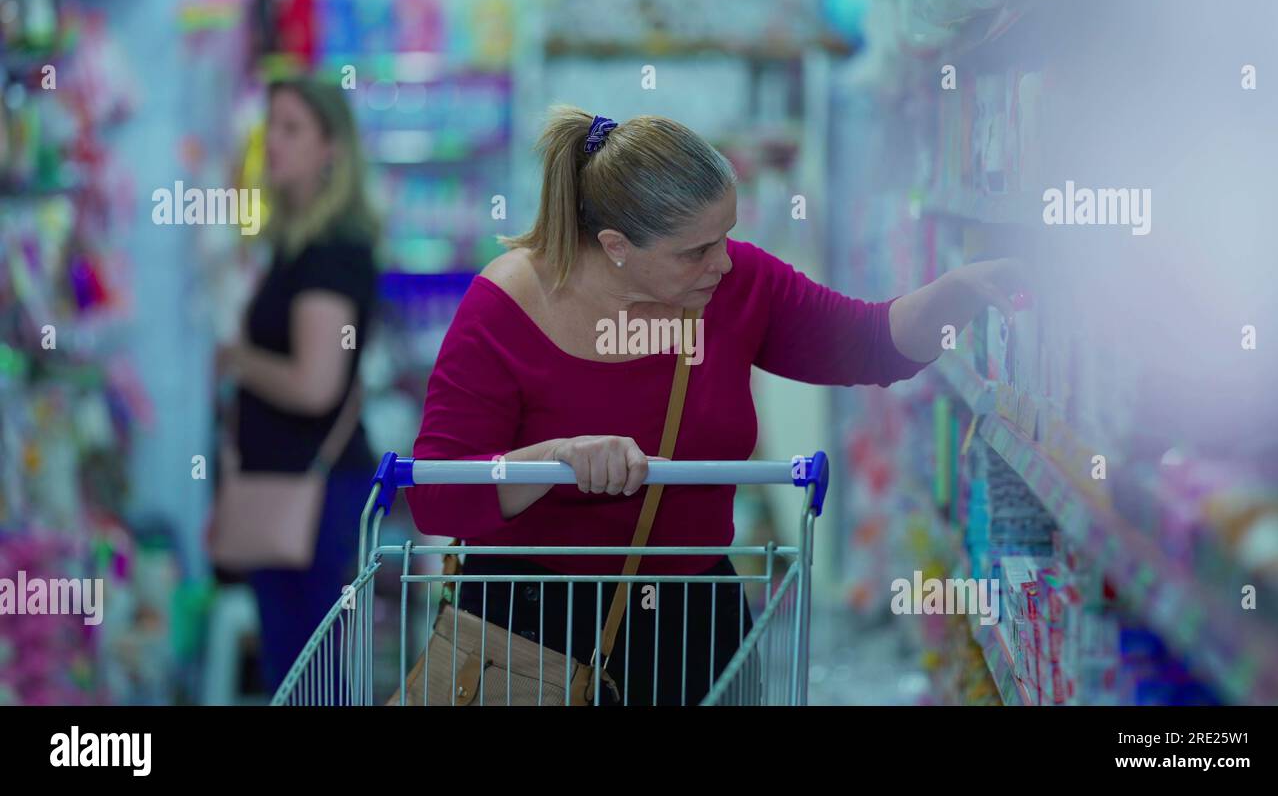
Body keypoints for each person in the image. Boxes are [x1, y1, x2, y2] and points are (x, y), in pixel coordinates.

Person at [407, 106, 1026, 705]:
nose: (722, 261)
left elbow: (870, 344)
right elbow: (439, 492)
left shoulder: (736, 287)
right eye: (695, 250)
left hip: (691, 629)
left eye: (726, 235)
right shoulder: (505, 306)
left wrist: (960, 289)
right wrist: (554, 459)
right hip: (525, 629)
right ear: (617, 244)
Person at [216, 78, 379, 693]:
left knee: (310, 675)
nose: (273, 144)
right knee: (298, 670)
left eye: (291, 129)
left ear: (331, 148)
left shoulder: (331, 251)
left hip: (315, 495)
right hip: (289, 488)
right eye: (270, 127)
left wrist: (238, 360)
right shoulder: (298, 244)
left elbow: (315, 385)